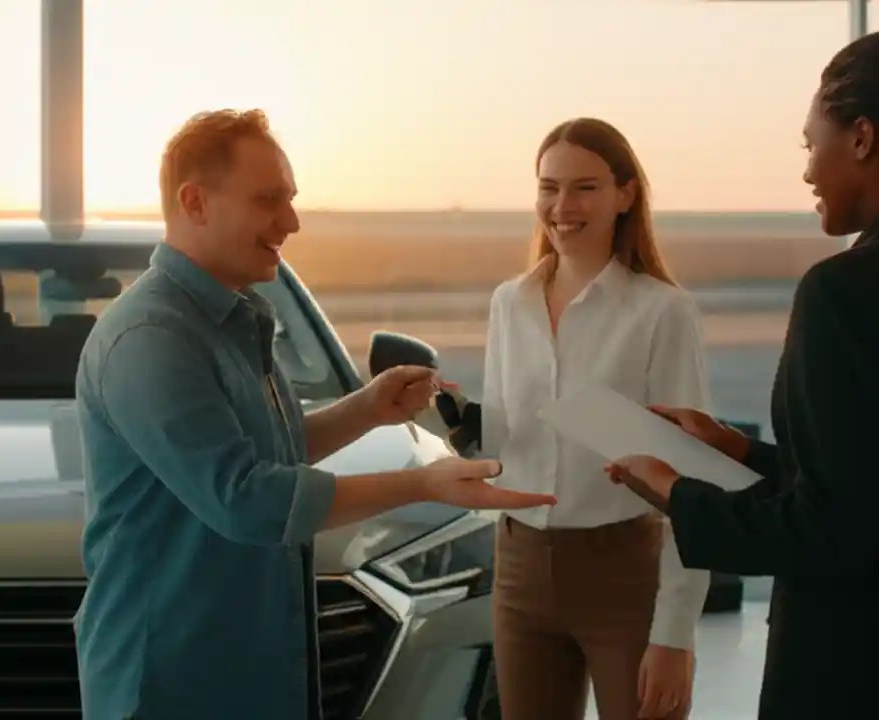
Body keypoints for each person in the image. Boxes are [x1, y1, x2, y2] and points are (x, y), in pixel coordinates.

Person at [71, 109, 557, 720]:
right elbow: (247, 497)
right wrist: (421, 484)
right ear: (194, 202)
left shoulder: (231, 319)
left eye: (291, 200)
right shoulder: (151, 338)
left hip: (247, 676)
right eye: (269, 200)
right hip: (175, 685)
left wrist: (366, 409)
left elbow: (266, 452)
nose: (292, 222)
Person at [605, 27, 879, 720]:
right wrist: (741, 452)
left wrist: (675, 491)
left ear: (862, 138)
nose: (807, 170)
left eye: (810, 142)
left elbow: (834, 533)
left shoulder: (846, 294)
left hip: (863, 674)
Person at [477, 117, 712, 720]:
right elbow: (502, 447)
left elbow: (692, 482)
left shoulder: (664, 312)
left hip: (624, 578)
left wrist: (676, 633)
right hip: (520, 572)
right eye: (549, 187)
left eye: (584, 187)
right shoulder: (509, 304)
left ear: (625, 195)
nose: (562, 206)